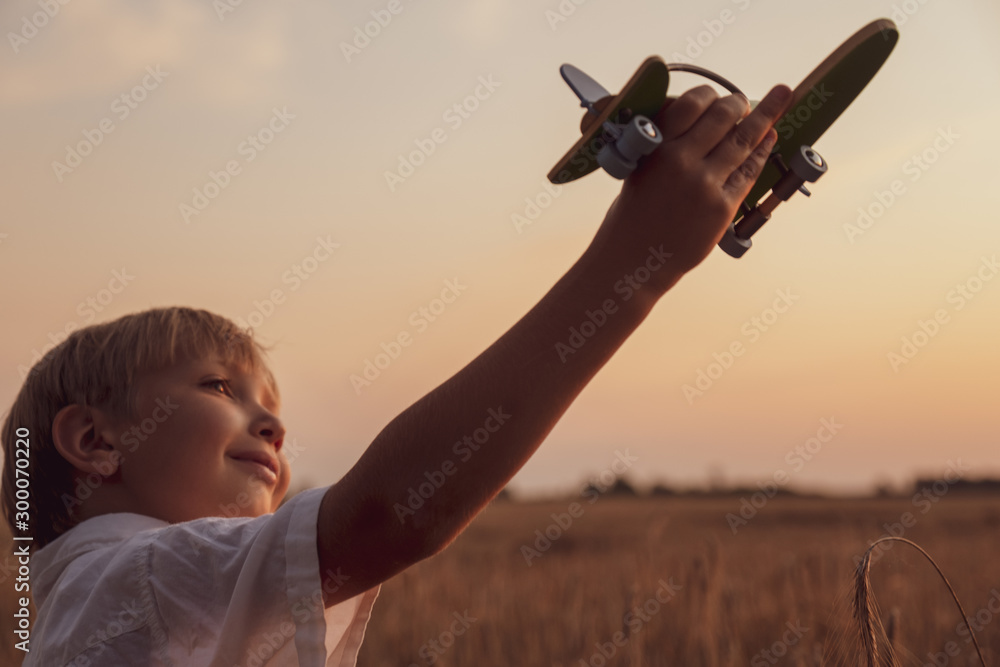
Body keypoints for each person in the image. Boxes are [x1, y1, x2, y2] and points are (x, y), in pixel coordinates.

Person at [1, 83, 792, 666]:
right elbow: (391, 514)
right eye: (218, 389)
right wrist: (635, 264)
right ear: (95, 440)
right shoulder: (120, 580)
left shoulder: (127, 602)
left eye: (268, 406)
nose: (272, 426)